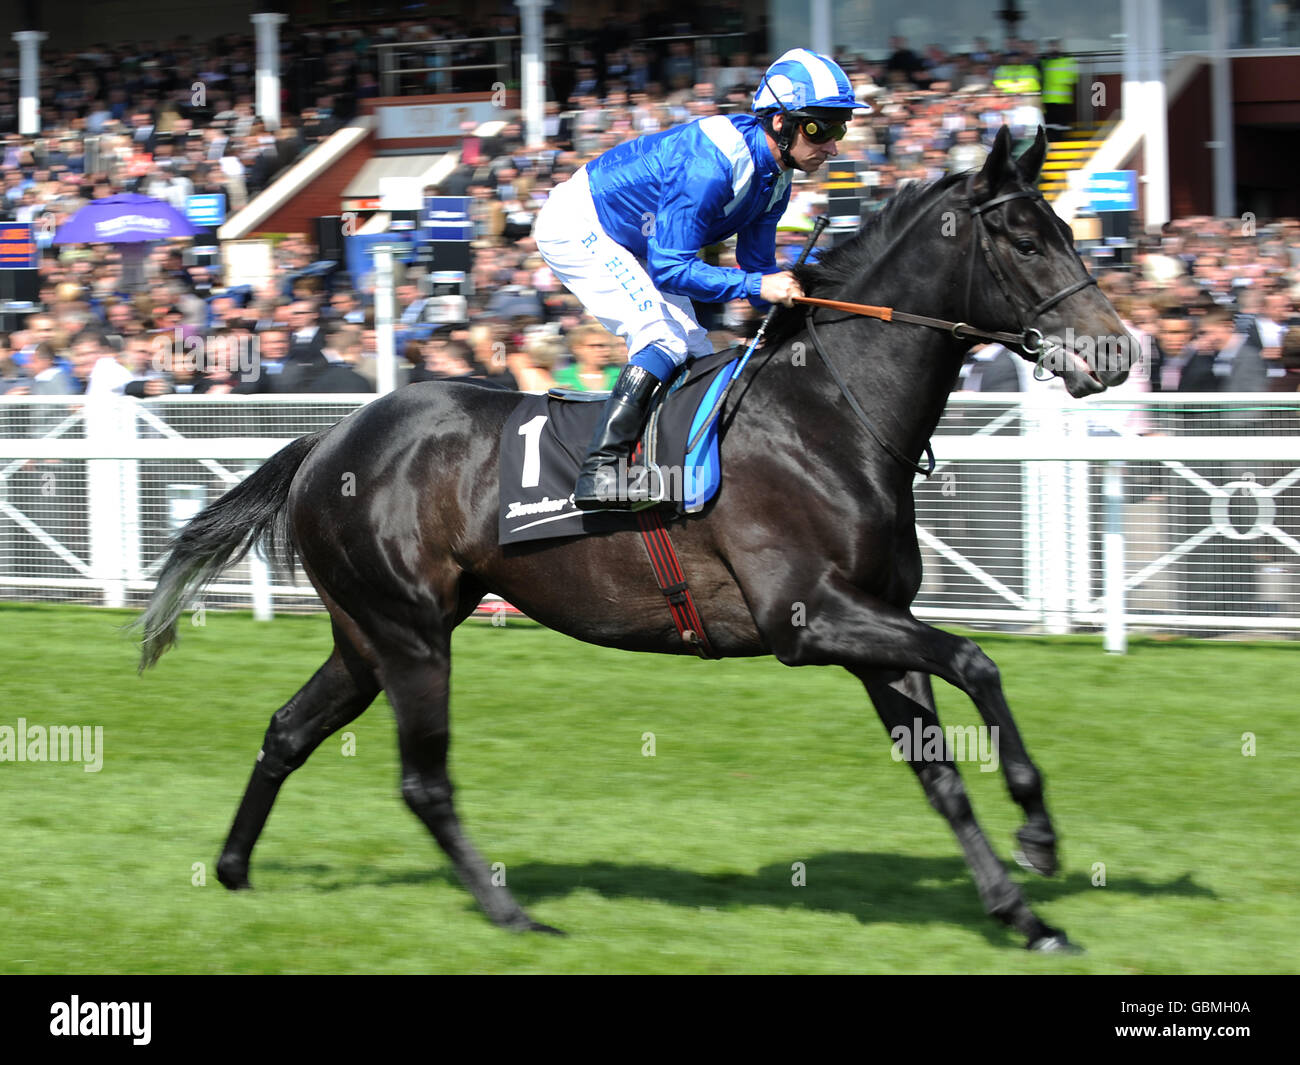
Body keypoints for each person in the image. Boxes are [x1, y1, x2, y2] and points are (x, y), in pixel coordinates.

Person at [533, 48, 864, 509]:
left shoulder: (777, 180)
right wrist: (758, 287)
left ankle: (666, 466)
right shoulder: (710, 166)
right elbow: (675, 269)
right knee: (662, 339)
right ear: (779, 123)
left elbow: (758, 271)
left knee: (696, 351)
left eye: (839, 129)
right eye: (819, 128)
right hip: (581, 224)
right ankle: (599, 473)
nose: (832, 145)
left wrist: (809, 306)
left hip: (640, 241)